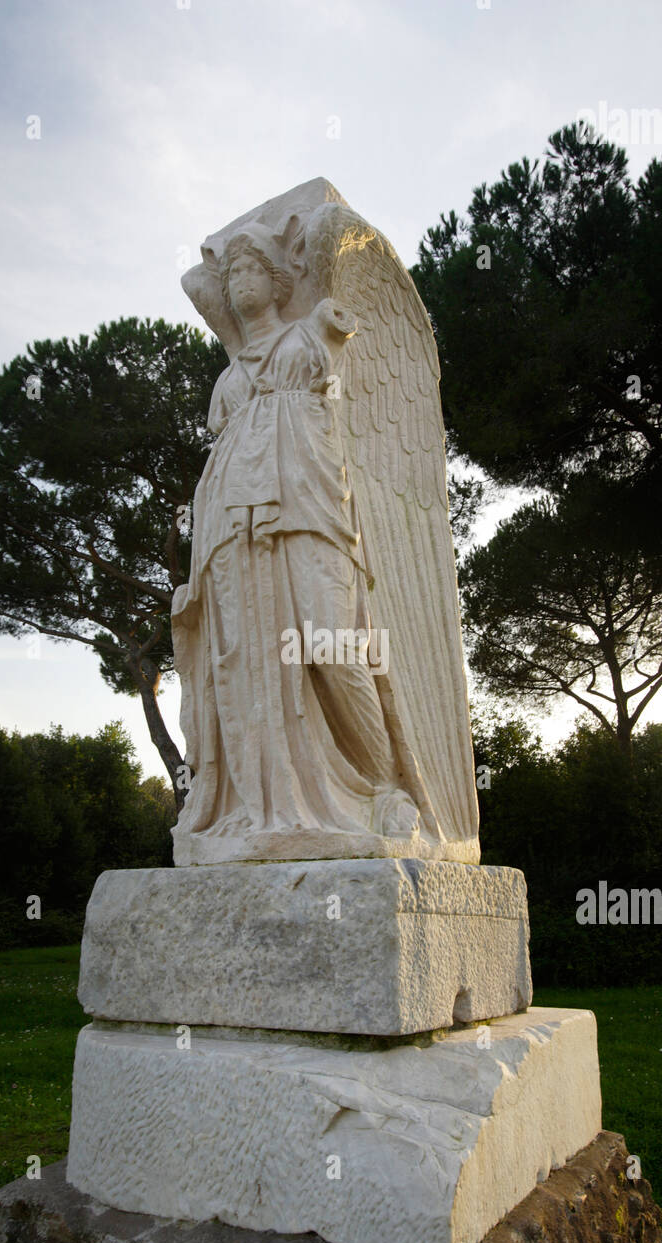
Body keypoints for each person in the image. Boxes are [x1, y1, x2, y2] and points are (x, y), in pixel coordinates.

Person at [171, 224, 420, 856]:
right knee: (243, 662)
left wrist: (311, 246)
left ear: (281, 281)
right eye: (231, 276)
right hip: (232, 526)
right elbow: (194, 282)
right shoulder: (228, 381)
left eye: (253, 268)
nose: (237, 281)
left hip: (308, 508)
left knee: (330, 645)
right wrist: (219, 263)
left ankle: (385, 786)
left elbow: (334, 256)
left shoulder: (312, 332)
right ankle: (263, 809)